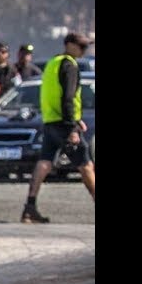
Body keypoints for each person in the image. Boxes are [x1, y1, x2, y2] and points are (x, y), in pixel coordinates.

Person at [20, 32, 96, 223]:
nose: (84, 50)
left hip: (51, 120)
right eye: (81, 45)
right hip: (65, 124)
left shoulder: (53, 63)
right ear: (69, 44)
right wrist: (72, 127)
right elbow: (68, 97)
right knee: (86, 164)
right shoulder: (69, 65)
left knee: (44, 162)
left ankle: (29, 207)